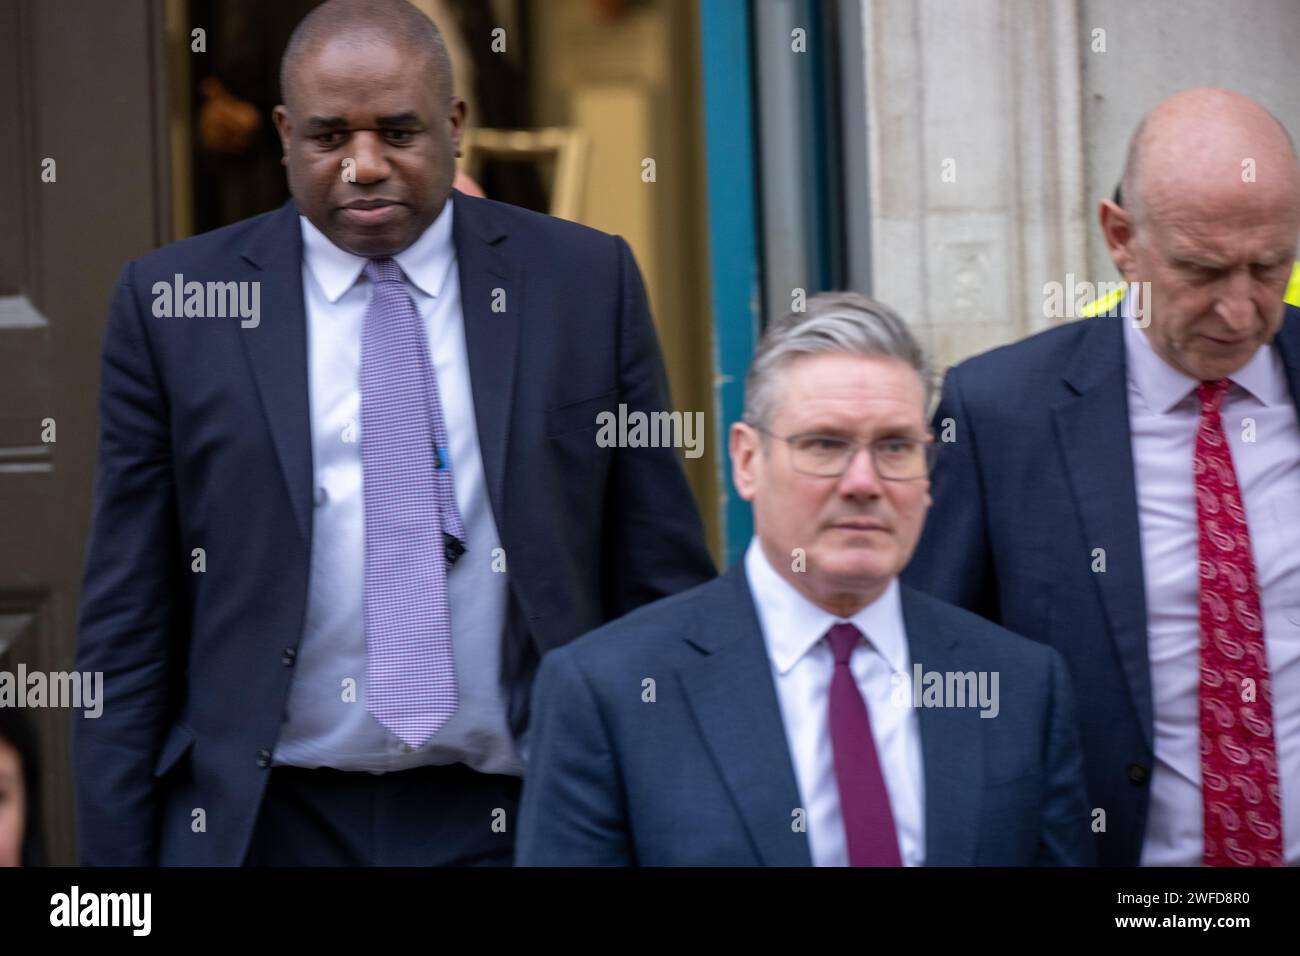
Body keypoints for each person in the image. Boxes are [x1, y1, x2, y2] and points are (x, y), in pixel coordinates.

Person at [74, 0, 713, 866]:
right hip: (266, 822)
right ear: (284, 132)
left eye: (399, 133)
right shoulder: (176, 308)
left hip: (524, 816)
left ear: (455, 125)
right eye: (330, 136)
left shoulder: (582, 285)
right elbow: (128, 620)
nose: (364, 166)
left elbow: (658, 586)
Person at [515, 293, 1092, 866]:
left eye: (895, 446)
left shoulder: (1020, 685)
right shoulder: (609, 691)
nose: (863, 481)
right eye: (825, 444)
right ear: (747, 461)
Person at [904, 88, 1300, 867]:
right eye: (1202, 270)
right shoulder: (1000, 413)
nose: (1240, 311)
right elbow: (935, 671)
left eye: (1270, 267)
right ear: (1119, 237)